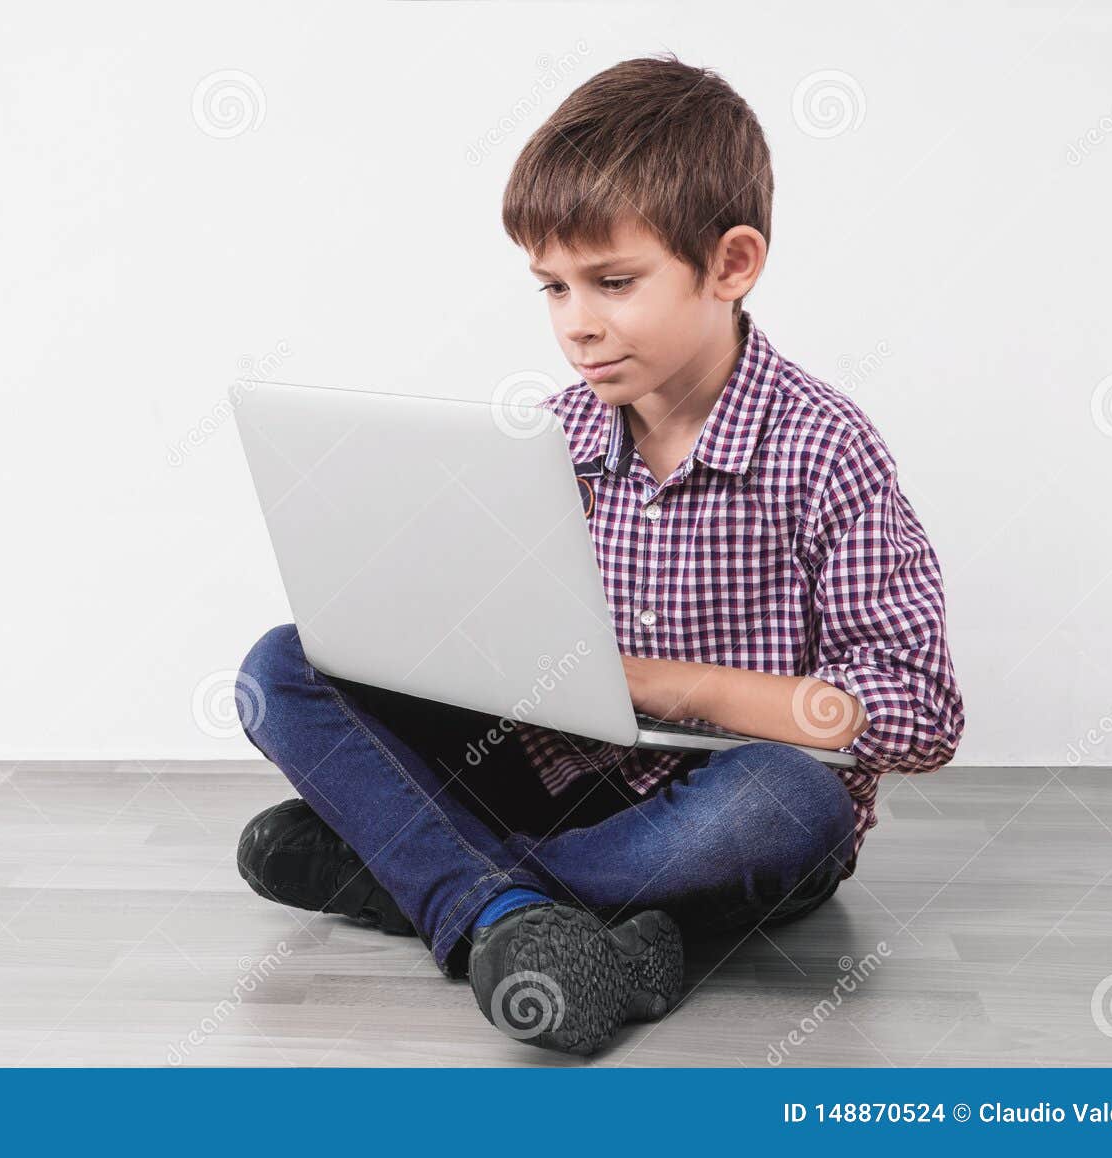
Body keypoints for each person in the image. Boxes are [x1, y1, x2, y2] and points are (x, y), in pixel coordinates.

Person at [232, 54, 964, 1056]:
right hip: (550, 777)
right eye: (553, 288)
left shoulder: (823, 446)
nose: (577, 325)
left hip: (722, 811)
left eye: (614, 283)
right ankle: (531, 918)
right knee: (281, 665)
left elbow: (919, 712)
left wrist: (666, 685)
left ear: (730, 264)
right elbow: (491, 641)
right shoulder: (549, 436)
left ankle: (439, 880)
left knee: (790, 800)